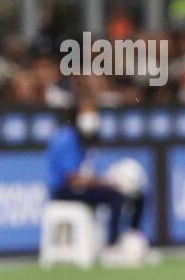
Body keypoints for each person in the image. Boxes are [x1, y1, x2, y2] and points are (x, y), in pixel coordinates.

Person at [45, 99, 148, 256]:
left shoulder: (88, 138)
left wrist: (114, 179)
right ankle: (111, 246)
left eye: (93, 113)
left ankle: (133, 239)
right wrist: (107, 182)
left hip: (82, 186)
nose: (90, 117)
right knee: (115, 197)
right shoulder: (66, 137)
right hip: (64, 190)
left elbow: (91, 171)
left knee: (138, 194)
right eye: (86, 112)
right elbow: (73, 179)